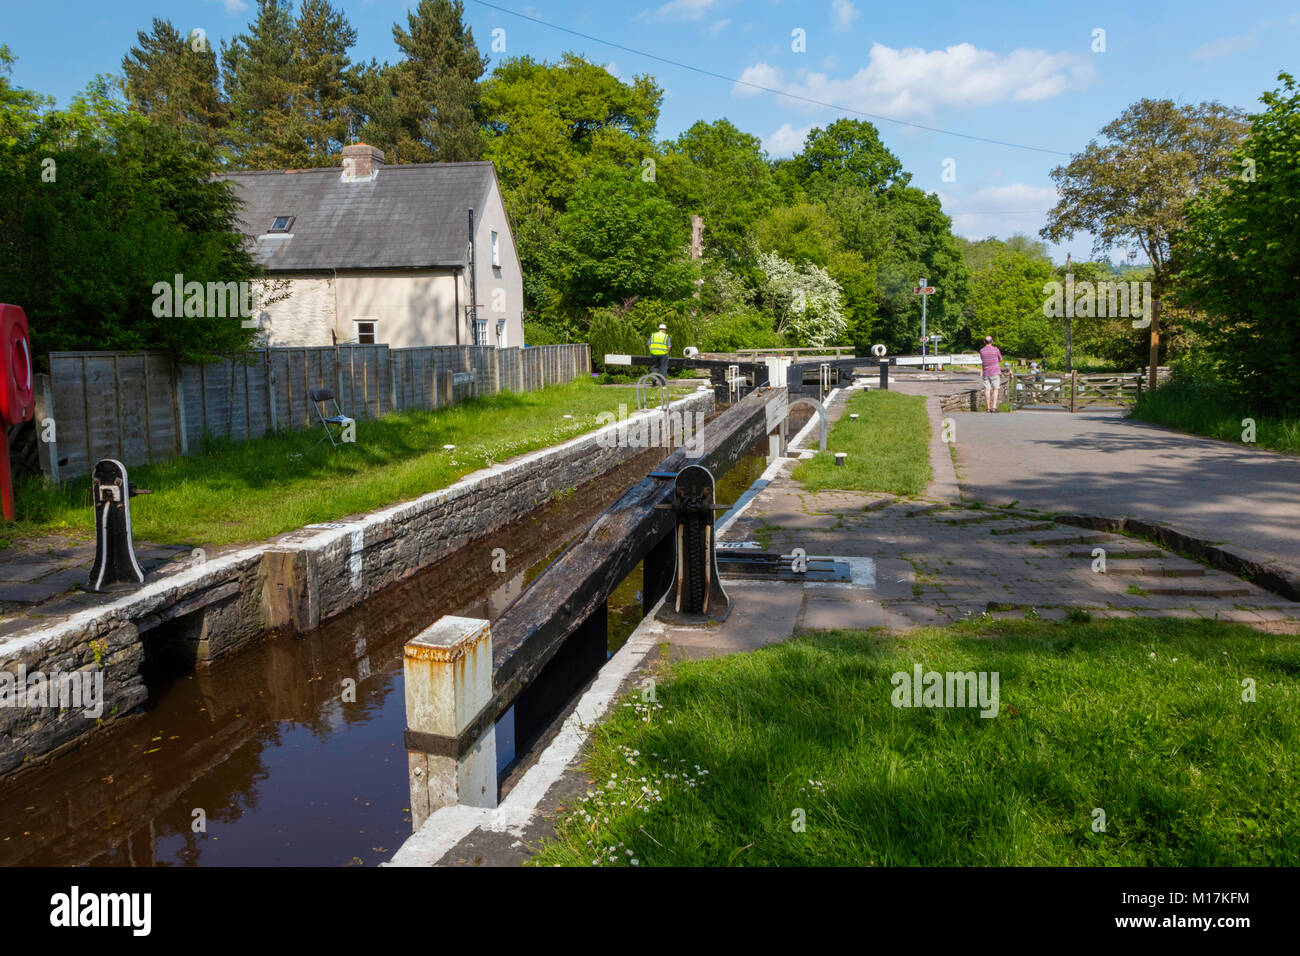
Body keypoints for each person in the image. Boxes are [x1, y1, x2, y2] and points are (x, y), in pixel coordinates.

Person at [979, 335, 1003, 412]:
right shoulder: (996, 349)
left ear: (984, 342)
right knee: (996, 389)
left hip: (986, 372)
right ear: (992, 341)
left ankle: (988, 408)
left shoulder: (982, 351)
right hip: (995, 372)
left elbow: (982, 359)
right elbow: (1000, 359)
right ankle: (994, 407)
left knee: (987, 389)